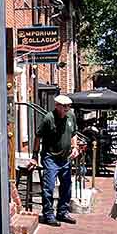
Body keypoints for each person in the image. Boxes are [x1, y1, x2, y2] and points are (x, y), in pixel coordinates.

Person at [28, 94, 80, 226]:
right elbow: (38, 137)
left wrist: (75, 147)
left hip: (65, 158)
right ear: (57, 106)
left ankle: (62, 212)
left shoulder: (71, 116)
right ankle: (48, 214)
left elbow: (74, 133)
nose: (67, 109)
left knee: (67, 186)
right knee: (49, 187)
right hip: (50, 157)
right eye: (64, 107)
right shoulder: (48, 118)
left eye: (68, 106)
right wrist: (34, 156)